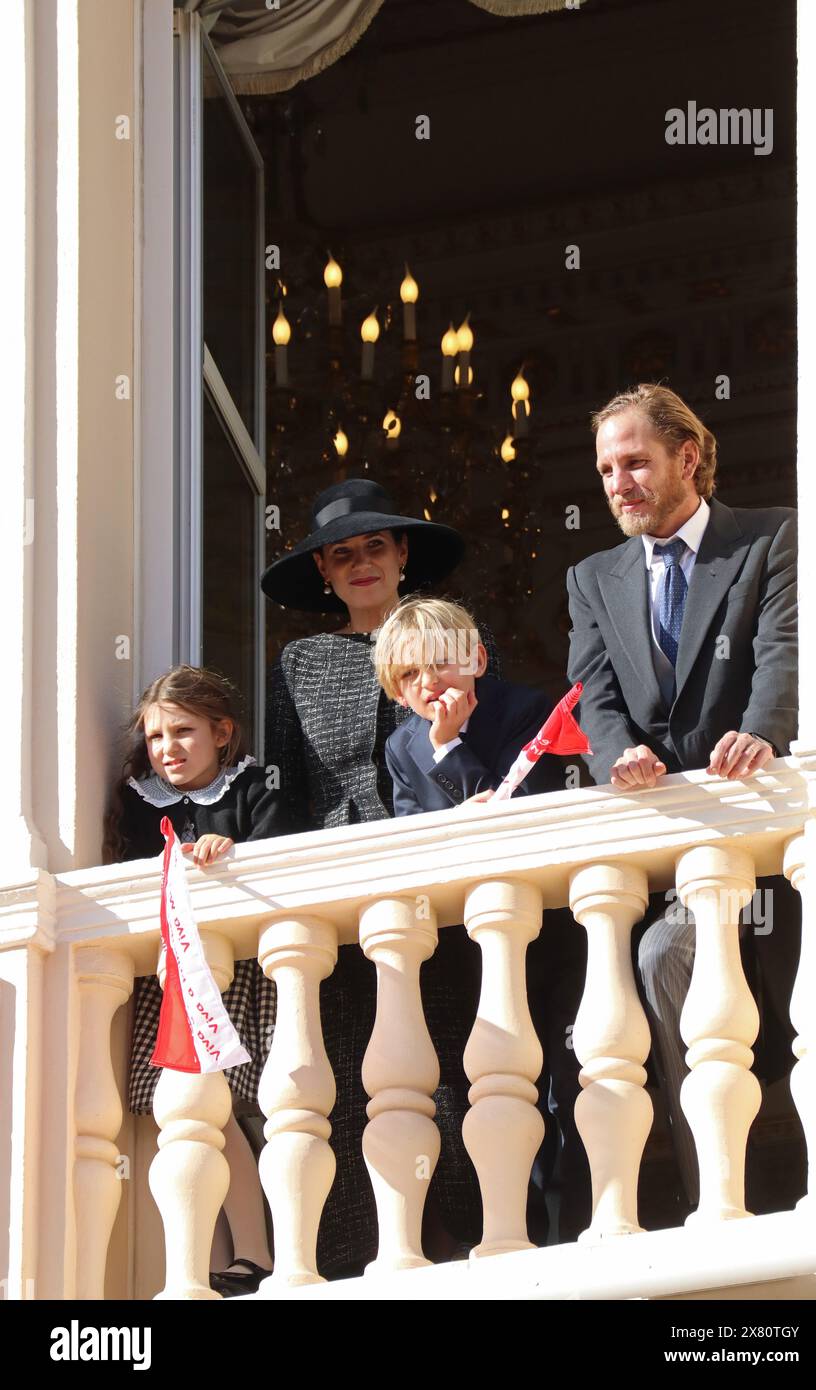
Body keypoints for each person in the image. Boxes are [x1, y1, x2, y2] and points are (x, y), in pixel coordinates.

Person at [565, 382, 800, 1212]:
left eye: (635, 462)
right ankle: (714, 1193)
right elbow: (592, 693)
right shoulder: (592, 576)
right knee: (662, 961)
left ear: (688, 458)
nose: (618, 483)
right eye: (605, 470)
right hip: (671, 839)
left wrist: (763, 730)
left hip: (772, 822)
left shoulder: (767, 536)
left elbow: (781, 650)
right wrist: (612, 751)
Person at [261, 477, 503, 1276]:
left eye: (374, 547)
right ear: (323, 575)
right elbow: (286, 788)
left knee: (446, 1073)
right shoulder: (299, 662)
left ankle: (458, 1250)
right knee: (343, 1088)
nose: (360, 564)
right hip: (334, 901)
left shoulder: (445, 636)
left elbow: (478, 755)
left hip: (436, 891)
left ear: (402, 555)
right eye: (341, 556)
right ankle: (352, 1261)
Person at [376, 594, 586, 1243]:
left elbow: (521, 802)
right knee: (494, 1085)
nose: (428, 684)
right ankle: (511, 1232)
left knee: (565, 1083)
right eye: (409, 676)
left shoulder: (519, 710)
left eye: (439, 664)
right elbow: (413, 832)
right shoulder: (403, 745)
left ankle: (571, 1225)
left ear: (477, 660)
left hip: (550, 935)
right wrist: (441, 750)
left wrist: (458, 755)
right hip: (473, 943)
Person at [104, 664, 288, 1296]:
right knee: (173, 1114)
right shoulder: (139, 798)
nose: (168, 750)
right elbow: (128, 869)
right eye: (156, 738)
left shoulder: (252, 788)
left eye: (183, 732)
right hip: (167, 977)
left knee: (221, 1107)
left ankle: (255, 1252)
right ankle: (207, 1259)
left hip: (224, 971)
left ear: (223, 732)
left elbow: (281, 858)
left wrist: (226, 851)